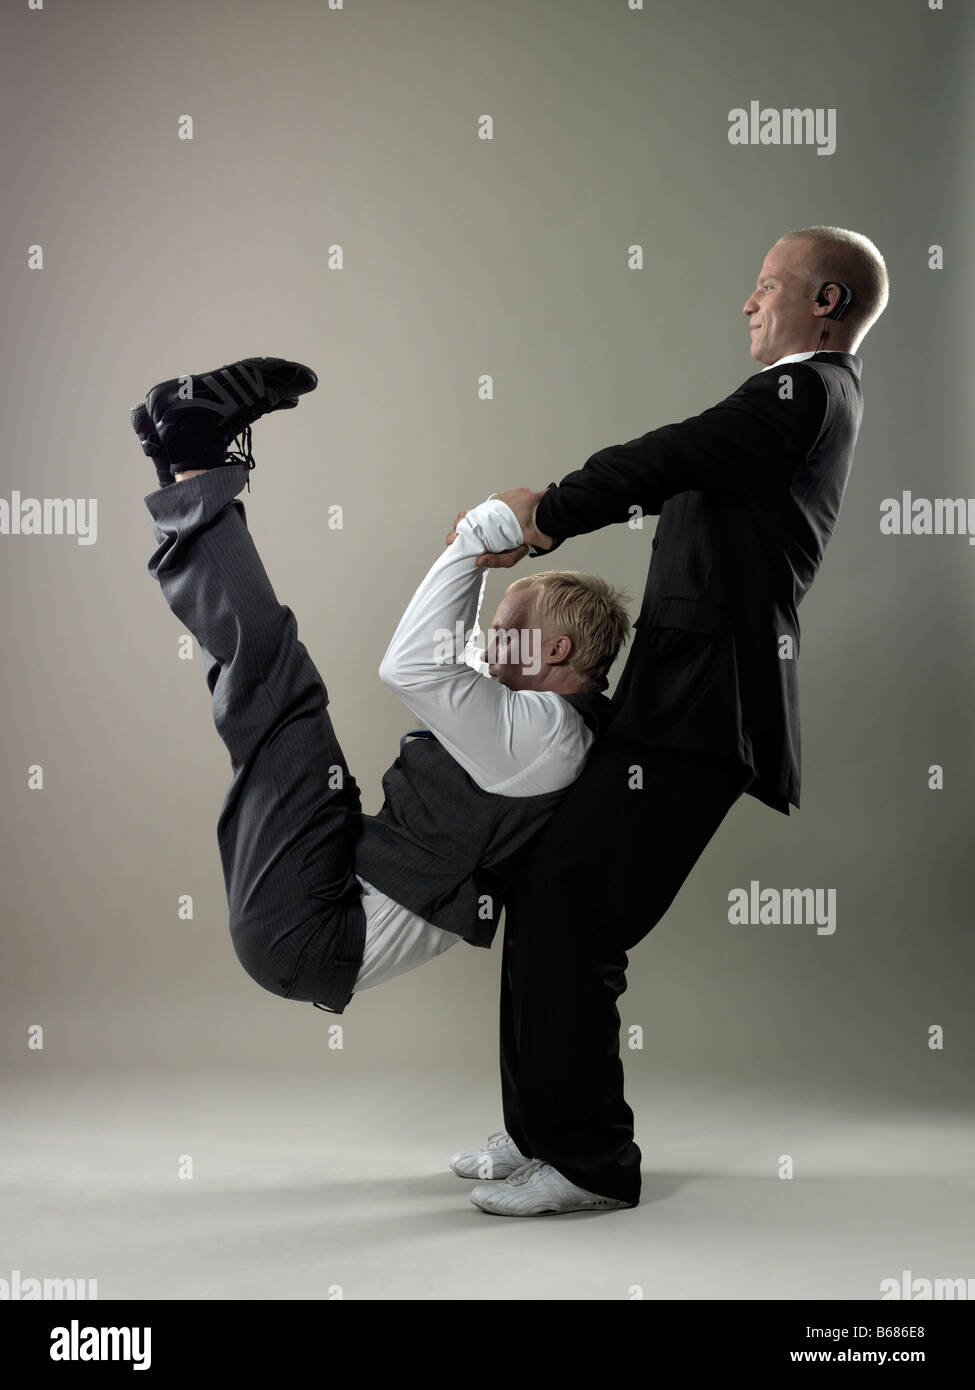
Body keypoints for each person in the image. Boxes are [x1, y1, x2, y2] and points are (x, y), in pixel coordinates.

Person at [449, 226, 890, 1216]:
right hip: (678, 698)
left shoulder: (805, 390)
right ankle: (538, 1133)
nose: (748, 300)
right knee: (548, 888)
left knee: (574, 902)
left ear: (824, 300)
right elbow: (693, 466)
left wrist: (548, 509)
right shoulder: (806, 399)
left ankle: (592, 1162)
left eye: (768, 284)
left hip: (705, 709)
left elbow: (673, 452)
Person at [132, 358, 635, 1213]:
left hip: (310, 929)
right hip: (336, 874)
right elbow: (439, 654)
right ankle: (185, 464)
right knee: (270, 677)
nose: (481, 641)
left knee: (274, 680)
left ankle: (191, 460)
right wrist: (468, 567)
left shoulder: (542, 735)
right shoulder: (530, 725)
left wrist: (471, 543)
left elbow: (411, 662)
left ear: (555, 655)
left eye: (504, 631)